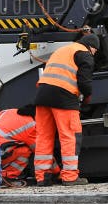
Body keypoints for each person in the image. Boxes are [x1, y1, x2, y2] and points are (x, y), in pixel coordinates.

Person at [34, 34, 98, 186]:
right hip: (64, 96)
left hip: (42, 95)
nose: (95, 53)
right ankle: (70, 177)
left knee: (43, 136)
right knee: (70, 135)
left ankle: (42, 177)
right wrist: (88, 96)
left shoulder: (63, 50)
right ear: (92, 47)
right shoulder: (85, 54)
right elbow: (85, 82)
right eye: (96, 50)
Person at [0, 104, 42, 179]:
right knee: (25, 150)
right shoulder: (30, 124)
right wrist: (56, 171)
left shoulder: (6, 111)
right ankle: (8, 176)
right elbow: (40, 151)